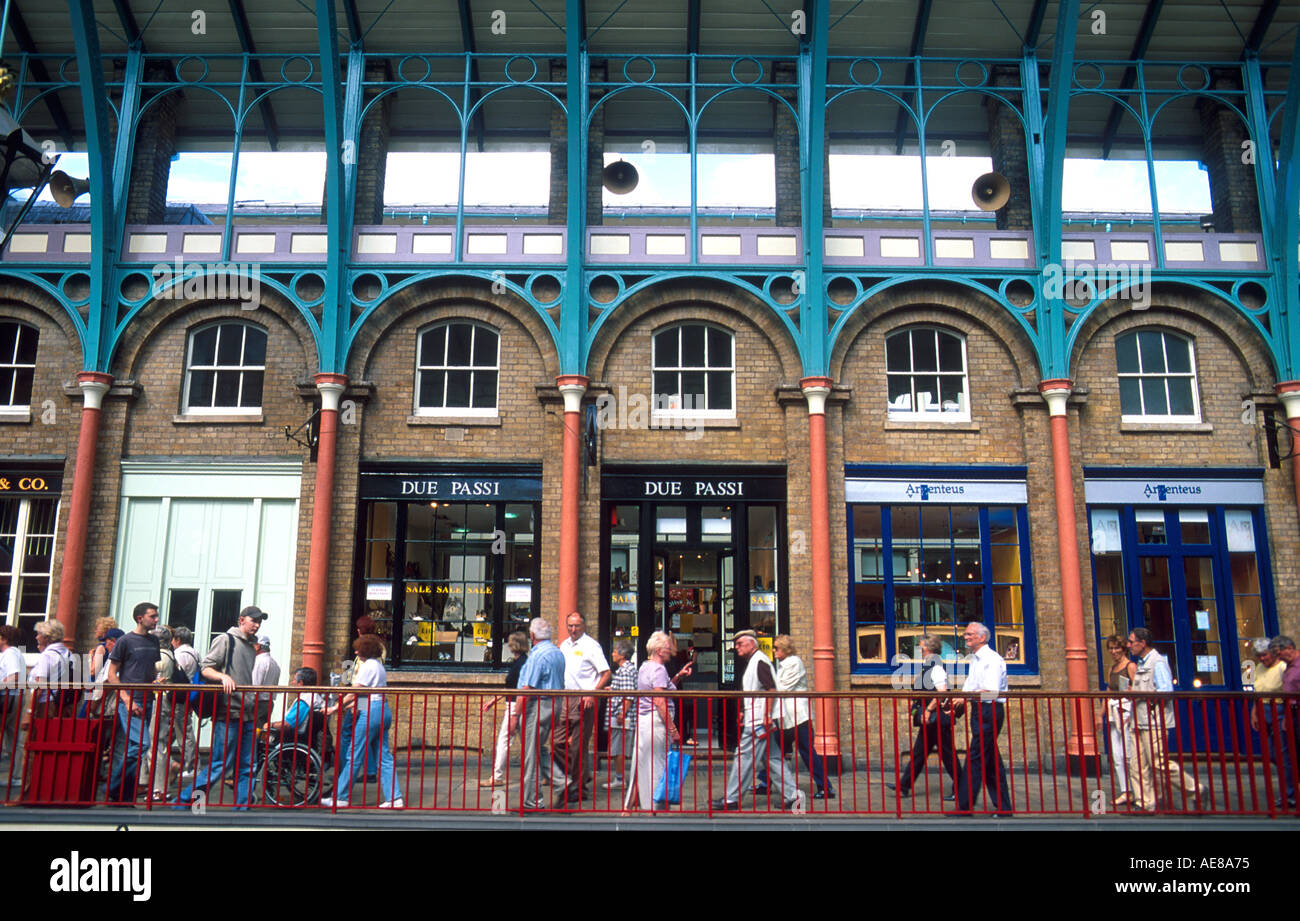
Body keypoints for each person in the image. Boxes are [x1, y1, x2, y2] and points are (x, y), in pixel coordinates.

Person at [175, 605, 265, 808]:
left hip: (248, 712)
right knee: (219, 765)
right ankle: (183, 799)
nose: (257, 625)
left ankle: (242, 806)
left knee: (248, 766)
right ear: (242, 620)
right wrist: (223, 676)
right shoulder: (226, 639)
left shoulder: (252, 647)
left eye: (259, 622)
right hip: (229, 712)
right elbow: (206, 667)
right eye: (254, 620)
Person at [712, 630, 798, 812]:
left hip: (758, 721)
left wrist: (766, 715)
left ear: (752, 643)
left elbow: (771, 690)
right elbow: (755, 690)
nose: (736, 648)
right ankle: (792, 796)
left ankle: (732, 799)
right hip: (759, 719)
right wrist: (745, 710)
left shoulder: (759, 661)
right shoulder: (756, 661)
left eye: (740, 643)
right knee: (773, 759)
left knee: (743, 757)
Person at [1124, 627, 1203, 812]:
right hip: (1139, 720)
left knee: (1159, 763)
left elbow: (1166, 692)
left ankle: (1195, 790)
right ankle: (1145, 803)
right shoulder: (1143, 663)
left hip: (1154, 721)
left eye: (1131, 641)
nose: (1129, 646)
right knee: (1137, 764)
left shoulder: (1157, 663)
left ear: (1142, 643)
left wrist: (1136, 693)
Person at [322, 634, 403, 809]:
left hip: (371, 712)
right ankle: (395, 798)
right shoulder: (379, 666)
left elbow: (355, 692)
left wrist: (334, 708)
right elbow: (367, 693)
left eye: (359, 648)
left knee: (353, 754)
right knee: (384, 756)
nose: (357, 651)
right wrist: (349, 705)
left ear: (366, 650)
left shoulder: (367, 667)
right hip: (383, 709)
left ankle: (341, 797)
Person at [624, 630, 692, 813]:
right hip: (656, 723)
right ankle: (655, 808)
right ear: (660, 650)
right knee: (657, 766)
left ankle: (633, 806)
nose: (671, 651)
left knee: (642, 763)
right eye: (668, 648)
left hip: (644, 721)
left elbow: (663, 689)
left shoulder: (645, 666)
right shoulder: (659, 669)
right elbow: (660, 701)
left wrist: (678, 676)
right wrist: (673, 729)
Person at [953, 621, 1013, 816]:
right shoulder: (976, 660)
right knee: (991, 760)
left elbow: (991, 692)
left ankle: (964, 806)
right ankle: (1004, 807)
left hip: (989, 710)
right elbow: (971, 687)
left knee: (976, 756)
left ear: (982, 637)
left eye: (970, 634)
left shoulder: (992, 660)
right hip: (979, 711)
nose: (965, 636)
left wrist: (966, 696)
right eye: (965, 633)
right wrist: (958, 701)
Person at [104, 602, 162, 803]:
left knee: (133, 748)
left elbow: (151, 669)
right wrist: (126, 699)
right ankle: (114, 787)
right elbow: (112, 673)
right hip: (131, 701)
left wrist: (155, 681)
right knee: (141, 745)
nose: (156, 620)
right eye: (152, 616)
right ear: (140, 618)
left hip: (147, 700)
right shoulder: (125, 641)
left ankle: (123, 793)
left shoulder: (154, 641)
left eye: (156, 616)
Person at [889, 635, 959, 798]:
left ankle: (962, 788)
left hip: (935, 719)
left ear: (928, 648)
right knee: (920, 753)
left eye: (920, 647)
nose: (918, 650)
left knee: (947, 755)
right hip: (931, 721)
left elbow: (942, 693)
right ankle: (904, 786)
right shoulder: (928, 666)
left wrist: (928, 709)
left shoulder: (936, 668)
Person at [553, 611, 610, 807]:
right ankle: (581, 774)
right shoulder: (564, 645)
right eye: (570, 626)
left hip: (585, 699)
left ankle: (578, 790)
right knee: (556, 742)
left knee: (578, 746)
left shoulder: (591, 646)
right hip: (565, 697)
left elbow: (606, 672)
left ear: (583, 626)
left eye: (576, 626)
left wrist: (593, 693)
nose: (573, 629)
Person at [508, 617, 565, 810]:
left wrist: (514, 716)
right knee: (539, 749)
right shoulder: (557, 653)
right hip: (553, 704)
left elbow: (527, 688)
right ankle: (562, 782)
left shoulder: (537, 655)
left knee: (530, 754)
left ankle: (532, 801)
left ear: (532, 636)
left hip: (538, 706)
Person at [772, 635, 834, 800]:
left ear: (785, 649)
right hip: (786, 717)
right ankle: (765, 783)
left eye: (776, 648)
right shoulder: (784, 664)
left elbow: (782, 688)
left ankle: (826, 787)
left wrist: (766, 686)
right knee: (774, 749)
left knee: (806, 751)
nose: (774, 651)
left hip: (798, 717)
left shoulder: (794, 663)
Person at [480, 630, 530, 787]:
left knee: (504, 740)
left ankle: (497, 776)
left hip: (516, 706)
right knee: (529, 743)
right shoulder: (521, 662)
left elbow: (516, 688)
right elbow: (511, 687)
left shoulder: (520, 664)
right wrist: (495, 700)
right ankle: (545, 773)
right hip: (518, 704)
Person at [1104, 634, 1137, 807]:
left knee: (1129, 753)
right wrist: (1100, 713)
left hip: (1127, 711)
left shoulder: (1131, 666)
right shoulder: (1112, 669)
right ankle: (1126, 791)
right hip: (1113, 712)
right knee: (1117, 755)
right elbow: (1109, 690)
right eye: (1111, 648)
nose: (1114, 651)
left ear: (1124, 648)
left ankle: (1136, 790)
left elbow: (1139, 690)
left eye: (1117, 648)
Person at [1268, 635, 1299, 808]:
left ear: (1289, 648)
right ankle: (1291, 794)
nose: (1279, 658)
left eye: (1280, 654)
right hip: (1289, 713)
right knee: (1285, 754)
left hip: (1295, 713)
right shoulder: (1287, 667)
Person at [605, 639, 637, 790]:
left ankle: (620, 778)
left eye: (615, 651)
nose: (612, 654)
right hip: (624, 715)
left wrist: (621, 713)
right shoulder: (627, 670)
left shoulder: (625, 671)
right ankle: (620, 777)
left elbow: (628, 695)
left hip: (622, 716)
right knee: (620, 747)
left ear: (622, 654)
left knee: (619, 749)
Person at [0, 625, 25, 781]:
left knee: (12, 737)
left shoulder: (10, 653)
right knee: (13, 737)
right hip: (12, 696)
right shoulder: (14, 653)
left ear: (5, 639)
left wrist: (2, 682)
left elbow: (13, 676)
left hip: (7, 696)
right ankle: (16, 775)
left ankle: (16, 775)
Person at [252, 633, 282, 727]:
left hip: (258, 703)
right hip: (268, 703)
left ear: (258, 646)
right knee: (261, 732)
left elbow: (254, 687)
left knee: (253, 732)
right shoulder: (274, 663)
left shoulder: (259, 662)